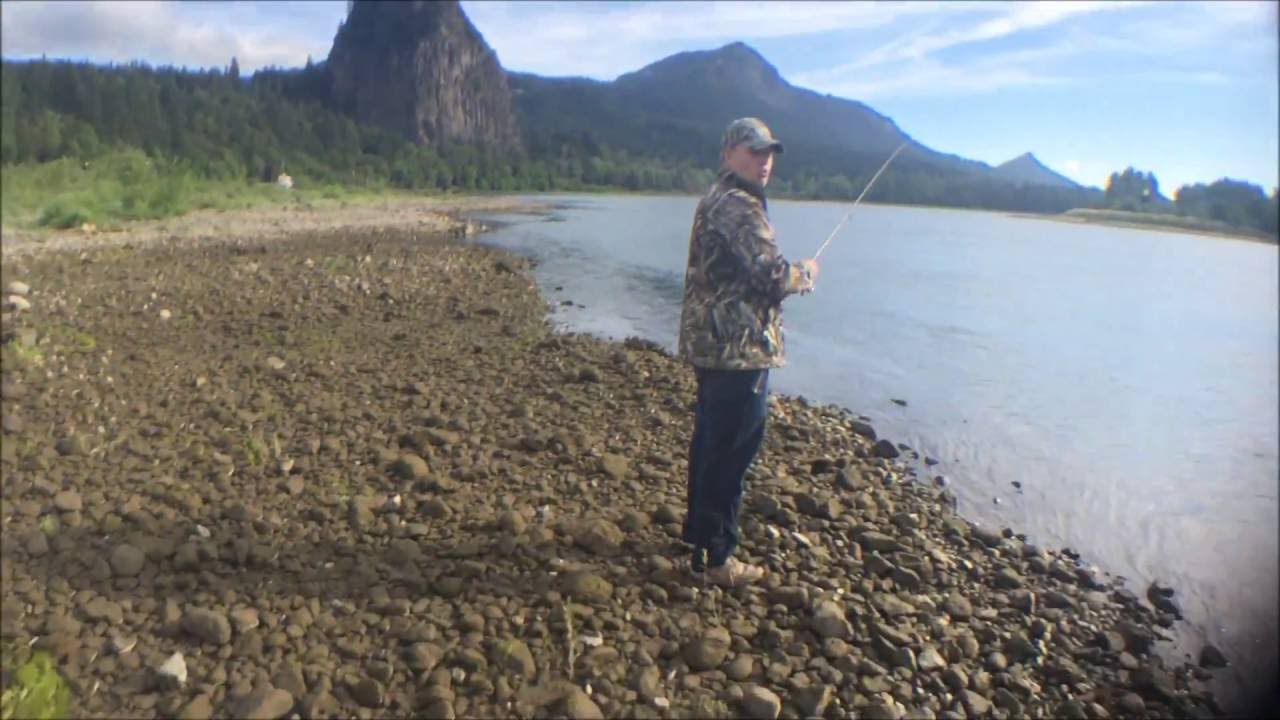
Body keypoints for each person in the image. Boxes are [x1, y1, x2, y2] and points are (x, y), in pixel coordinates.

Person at [677, 117, 820, 587]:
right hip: (738, 351)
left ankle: (697, 544)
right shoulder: (738, 206)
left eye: (770, 152)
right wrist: (805, 274)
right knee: (731, 453)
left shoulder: (718, 199)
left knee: (711, 445)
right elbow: (772, 277)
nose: (765, 161)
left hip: (716, 346)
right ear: (729, 153)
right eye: (754, 151)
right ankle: (718, 559)